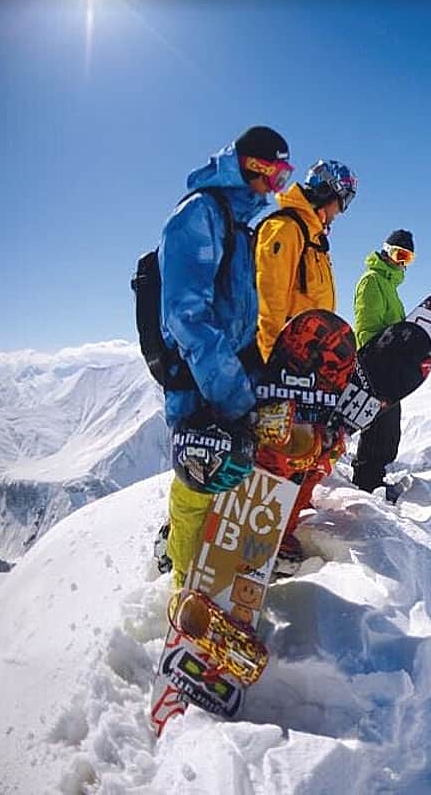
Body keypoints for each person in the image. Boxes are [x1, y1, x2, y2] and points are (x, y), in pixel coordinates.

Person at [156, 126, 293, 587]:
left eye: (284, 178)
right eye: (276, 176)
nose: (277, 189)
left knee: (228, 480)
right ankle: (184, 585)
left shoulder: (240, 222)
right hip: (199, 381)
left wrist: (258, 373)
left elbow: (239, 312)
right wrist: (234, 391)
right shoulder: (200, 215)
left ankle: (217, 578)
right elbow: (186, 315)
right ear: (252, 167)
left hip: (230, 373)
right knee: (199, 479)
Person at [253, 160, 357, 572]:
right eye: (342, 203)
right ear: (330, 195)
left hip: (310, 374)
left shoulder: (314, 240)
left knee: (322, 449)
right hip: (281, 371)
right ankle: (257, 541)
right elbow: (269, 307)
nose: (340, 213)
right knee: (279, 458)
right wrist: (269, 374)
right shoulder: (286, 230)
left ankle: (281, 530)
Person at [351, 229, 415, 496]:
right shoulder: (372, 280)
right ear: (387, 250)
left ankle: (376, 479)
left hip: (390, 366)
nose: (401, 262)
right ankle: (366, 482)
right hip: (375, 364)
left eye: (408, 258)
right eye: (399, 254)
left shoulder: (389, 285)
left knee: (390, 426)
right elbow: (367, 328)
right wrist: (385, 349)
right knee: (377, 424)